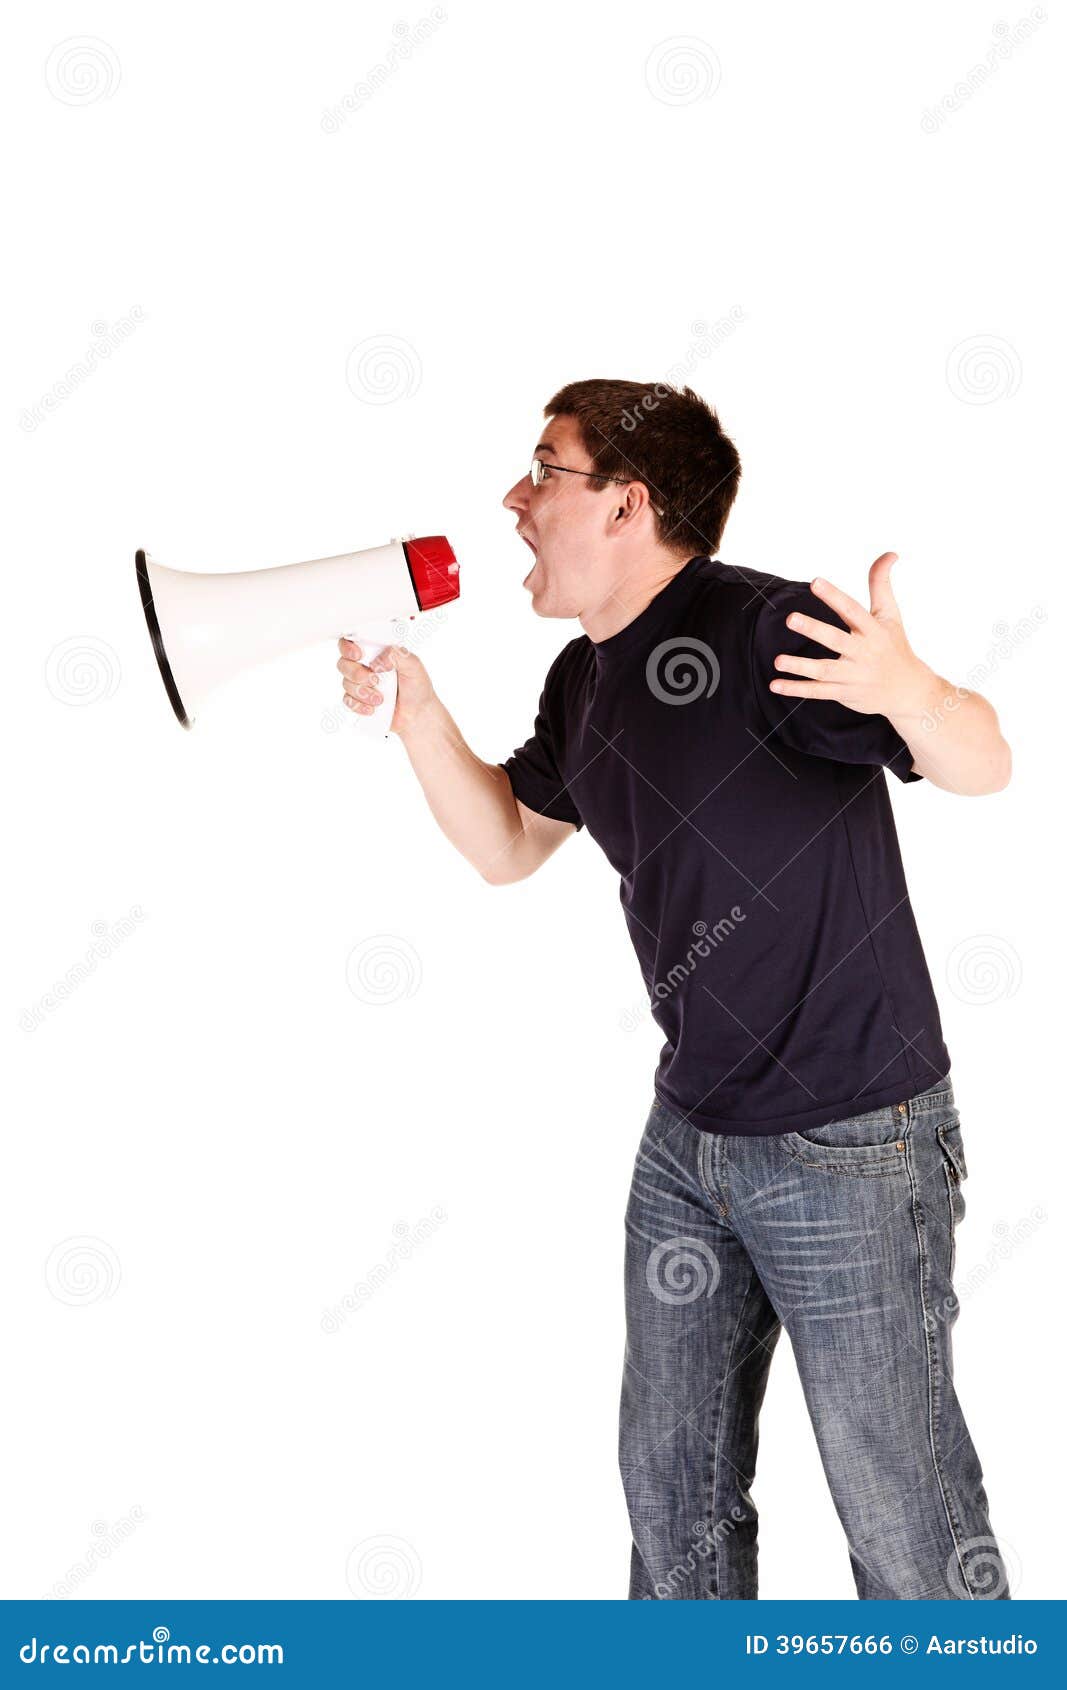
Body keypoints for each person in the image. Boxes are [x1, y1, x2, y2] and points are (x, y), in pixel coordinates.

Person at [336, 379, 1012, 1601]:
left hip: (850, 1140)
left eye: (544, 470)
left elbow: (981, 761)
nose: (514, 497)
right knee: (670, 1498)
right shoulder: (581, 682)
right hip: (688, 1139)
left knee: (901, 1510)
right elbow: (505, 844)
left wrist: (912, 690)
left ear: (627, 503)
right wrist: (417, 716)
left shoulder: (768, 631)